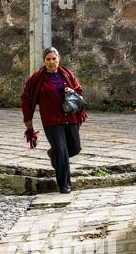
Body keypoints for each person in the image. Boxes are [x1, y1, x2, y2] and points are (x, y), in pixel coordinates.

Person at [20, 46, 87, 193]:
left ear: (59, 59)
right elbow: (26, 98)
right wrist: (28, 121)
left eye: (54, 59)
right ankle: (64, 185)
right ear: (44, 61)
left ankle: (53, 154)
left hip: (69, 118)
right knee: (62, 152)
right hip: (51, 120)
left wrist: (72, 91)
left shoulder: (66, 74)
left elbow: (79, 90)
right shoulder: (37, 78)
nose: (51, 62)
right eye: (48, 59)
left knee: (75, 147)